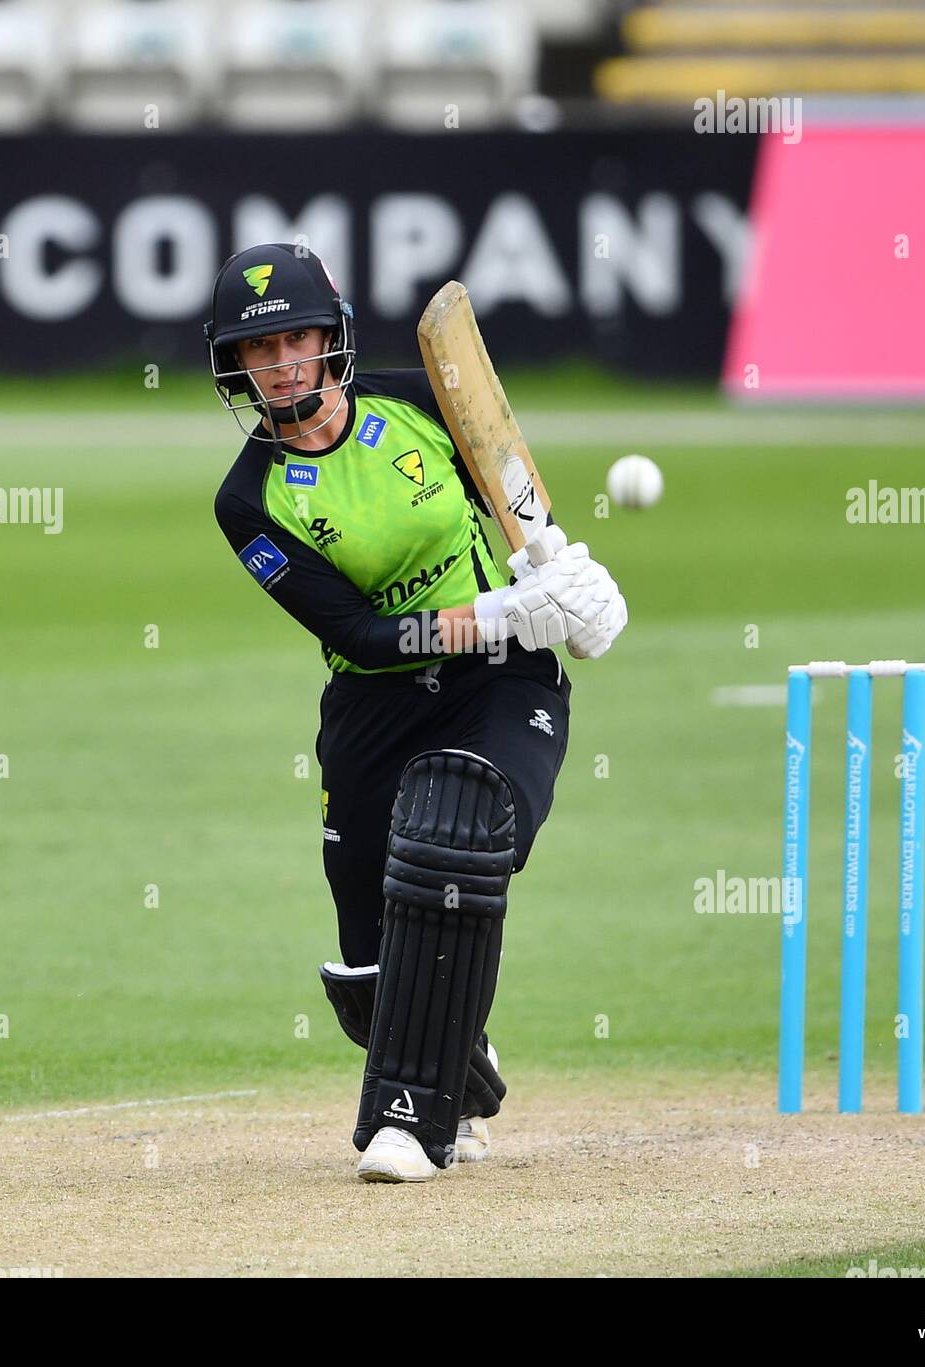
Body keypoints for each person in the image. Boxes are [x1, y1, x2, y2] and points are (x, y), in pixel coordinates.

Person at [208, 243, 627, 1182]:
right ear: (236, 366)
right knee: (370, 969)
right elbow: (358, 633)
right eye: (256, 349)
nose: (278, 363)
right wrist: (501, 613)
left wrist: (561, 575)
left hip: (502, 686)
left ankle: (413, 1117)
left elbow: (515, 503)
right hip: (375, 706)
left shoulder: (419, 399)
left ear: (329, 338)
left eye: (295, 338)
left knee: (461, 835)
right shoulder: (249, 500)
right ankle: (458, 1062)